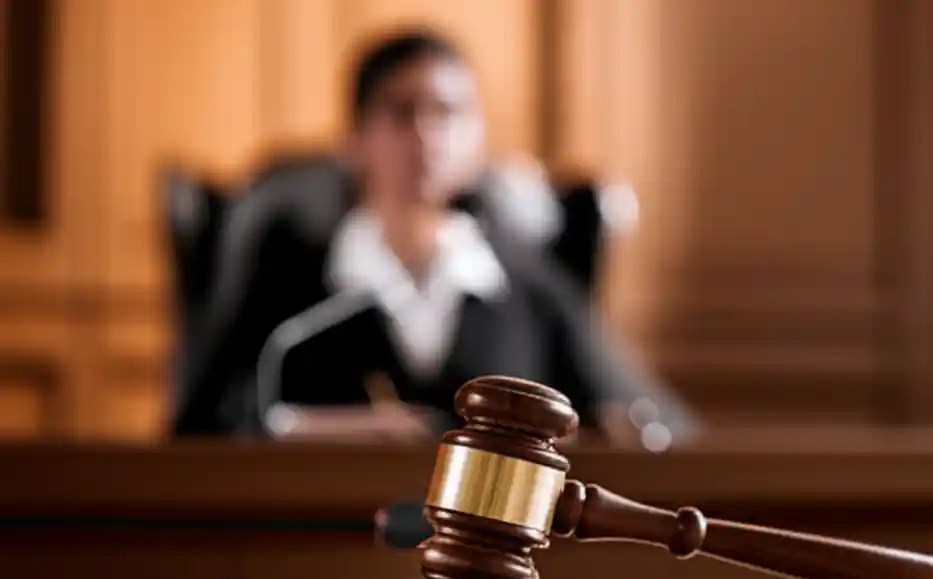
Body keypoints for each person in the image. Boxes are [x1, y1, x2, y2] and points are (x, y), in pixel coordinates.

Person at [172, 30, 689, 442]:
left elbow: (647, 421)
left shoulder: (527, 283)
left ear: (478, 139)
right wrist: (312, 429)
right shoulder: (289, 278)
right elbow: (204, 430)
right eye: (401, 111)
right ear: (354, 140)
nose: (426, 134)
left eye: (448, 112)